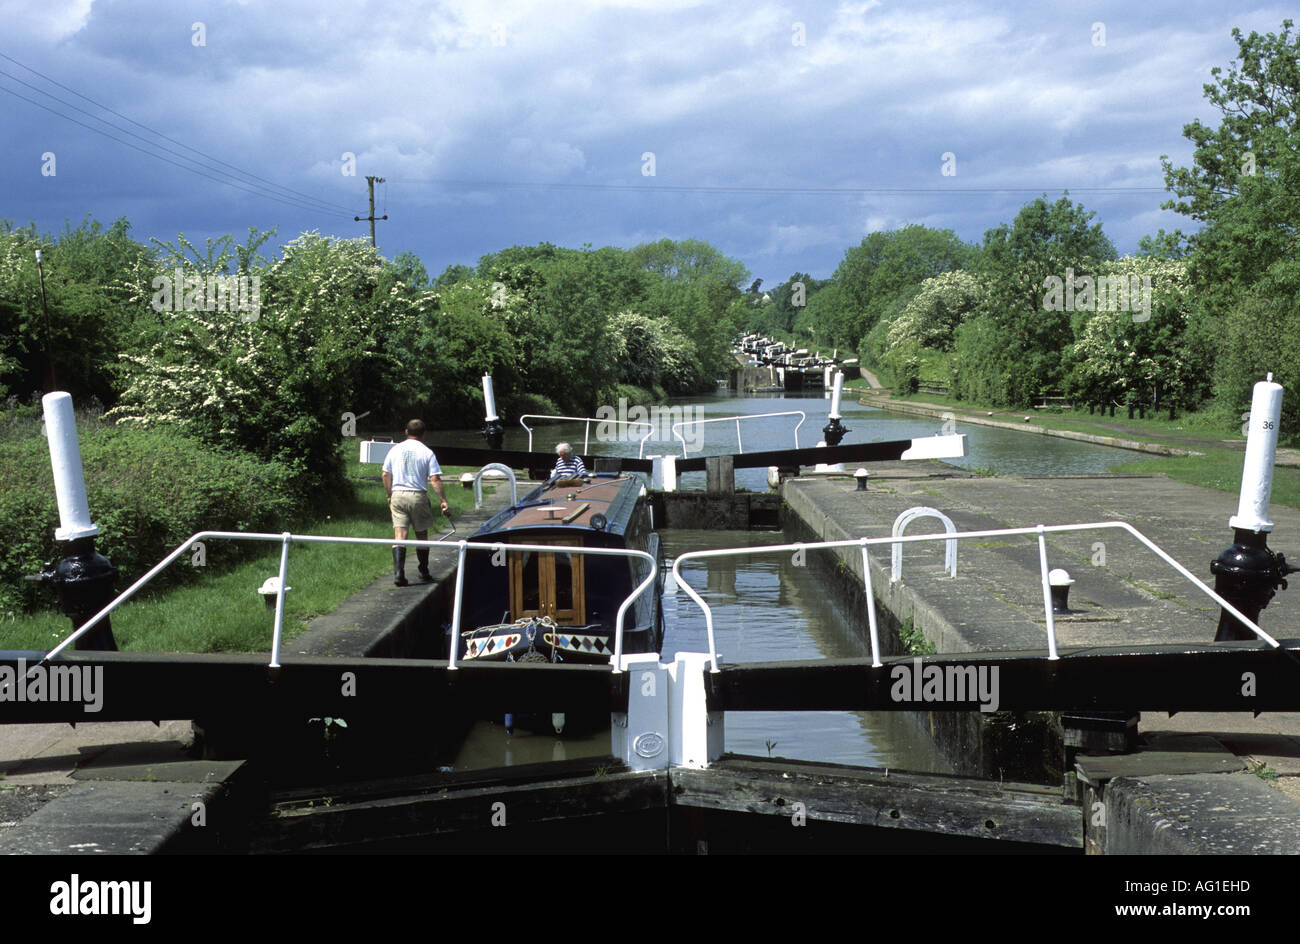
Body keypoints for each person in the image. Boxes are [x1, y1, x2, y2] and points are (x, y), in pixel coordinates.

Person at [382, 419, 449, 586]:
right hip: (418, 495)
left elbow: (385, 474)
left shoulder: (395, 449)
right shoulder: (427, 452)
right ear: (424, 434)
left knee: (400, 535)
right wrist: (443, 501)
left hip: (397, 494)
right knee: (421, 535)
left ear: (406, 432)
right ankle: (424, 572)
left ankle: (399, 574)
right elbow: (434, 478)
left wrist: (389, 494)